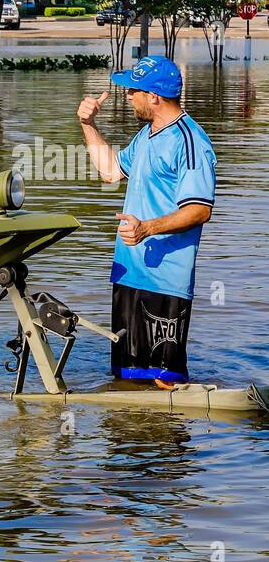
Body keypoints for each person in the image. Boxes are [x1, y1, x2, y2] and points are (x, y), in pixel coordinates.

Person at [77, 55, 216, 388]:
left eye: (132, 91)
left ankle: (171, 437)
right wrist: (87, 125)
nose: (127, 97)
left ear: (154, 96)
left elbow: (199, 210)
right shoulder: (146, 136)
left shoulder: (190, 141)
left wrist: (147, 228)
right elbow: (110, 171)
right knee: (128, 376)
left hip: (164, 279)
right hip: (129, 271)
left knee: (164, 379)